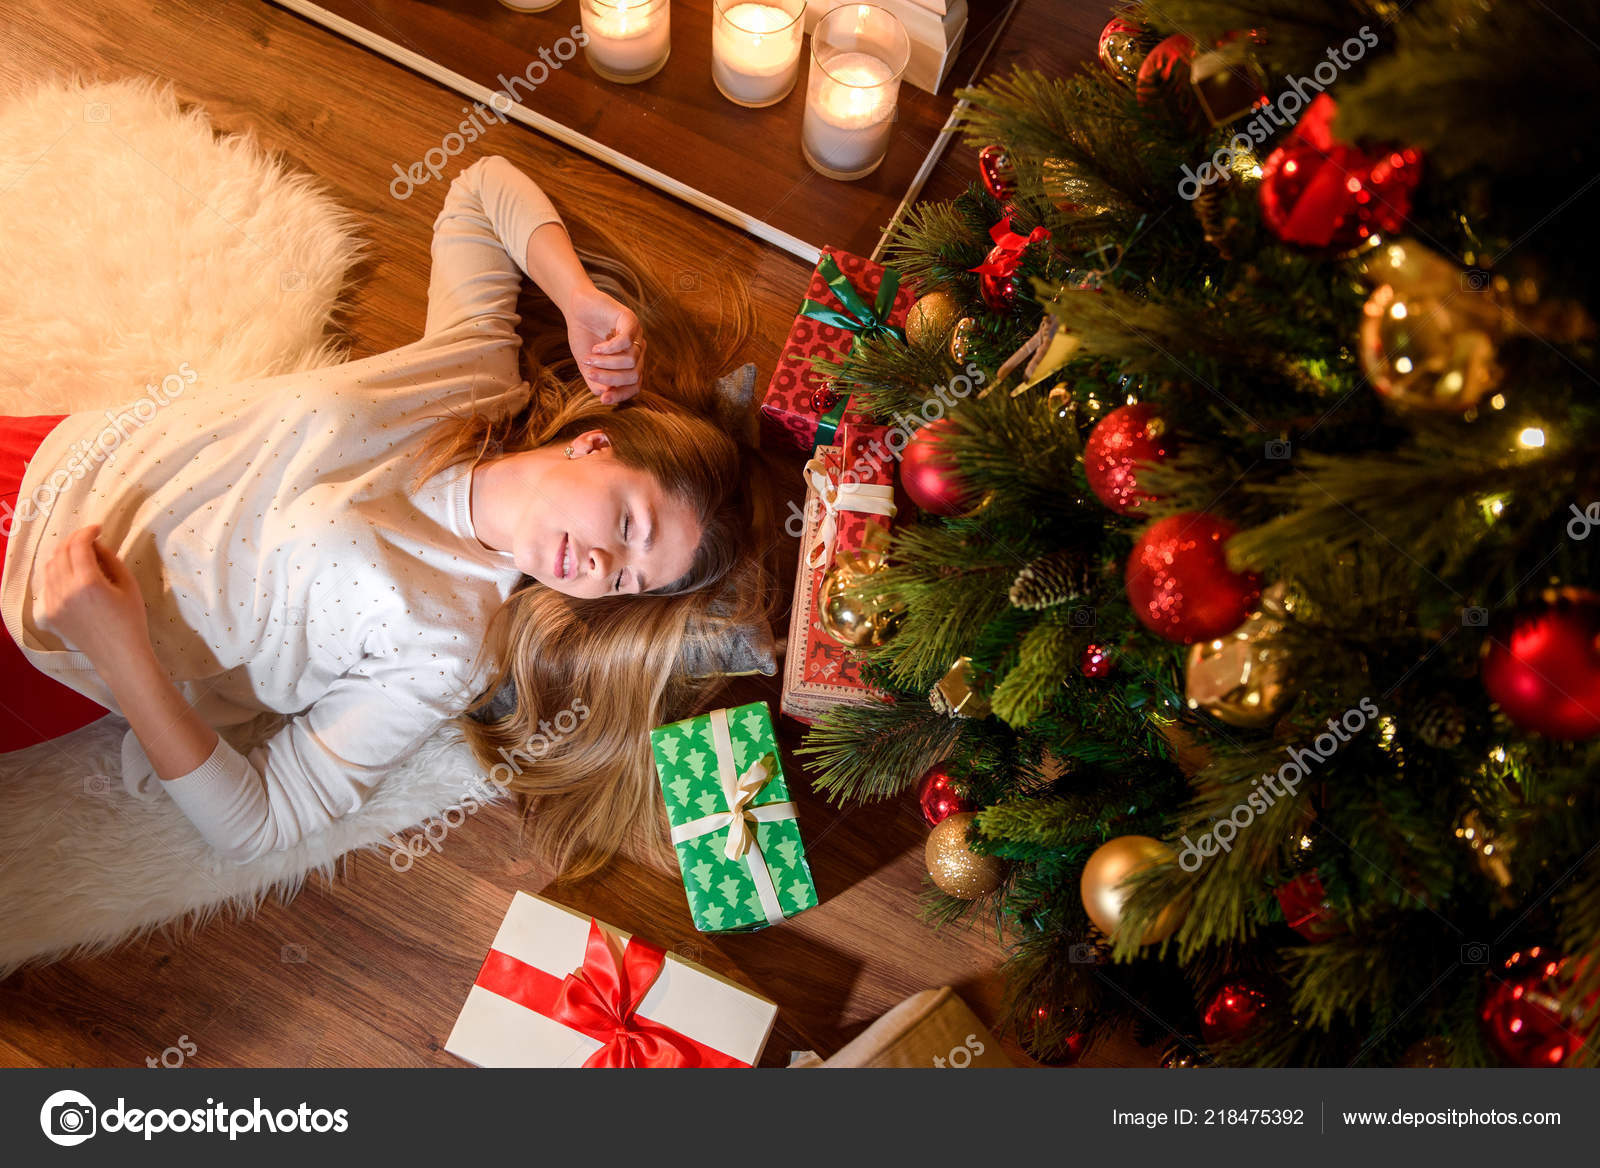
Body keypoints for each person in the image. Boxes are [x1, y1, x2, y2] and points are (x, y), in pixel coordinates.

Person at [0, 154, 775, 877]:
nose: (605, 566)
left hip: (41, 631)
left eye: (631, 581)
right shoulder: (472, 377)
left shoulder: (450, 645)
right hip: (51, 459)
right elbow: (480, 187)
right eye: (631, 527)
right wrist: (576, 295)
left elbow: (259, 825)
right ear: (595, 445)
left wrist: (119, 651)